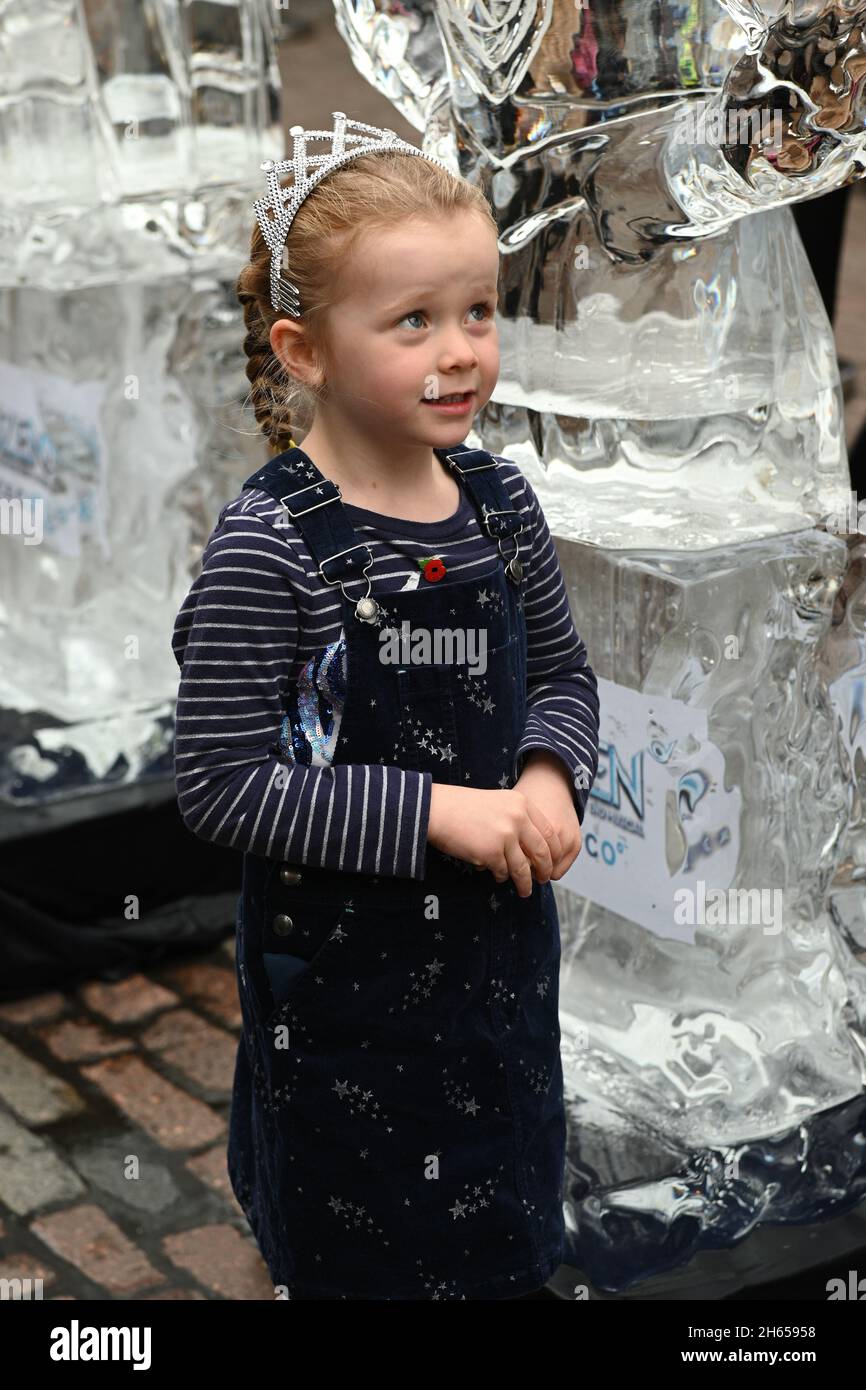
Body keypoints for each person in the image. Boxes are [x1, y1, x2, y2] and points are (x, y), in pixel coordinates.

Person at [171, 113, 600, 1300]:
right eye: (412, 321)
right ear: (303, 350)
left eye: (476, 311)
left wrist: (543, 776)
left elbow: (562, 677)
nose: (459, 351)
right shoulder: (274, 547)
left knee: (496, 1219)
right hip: (344, 998)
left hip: (498, 973)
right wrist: (435, 814)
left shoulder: (499, 505)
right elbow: (218, 782)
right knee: (358, 1246)